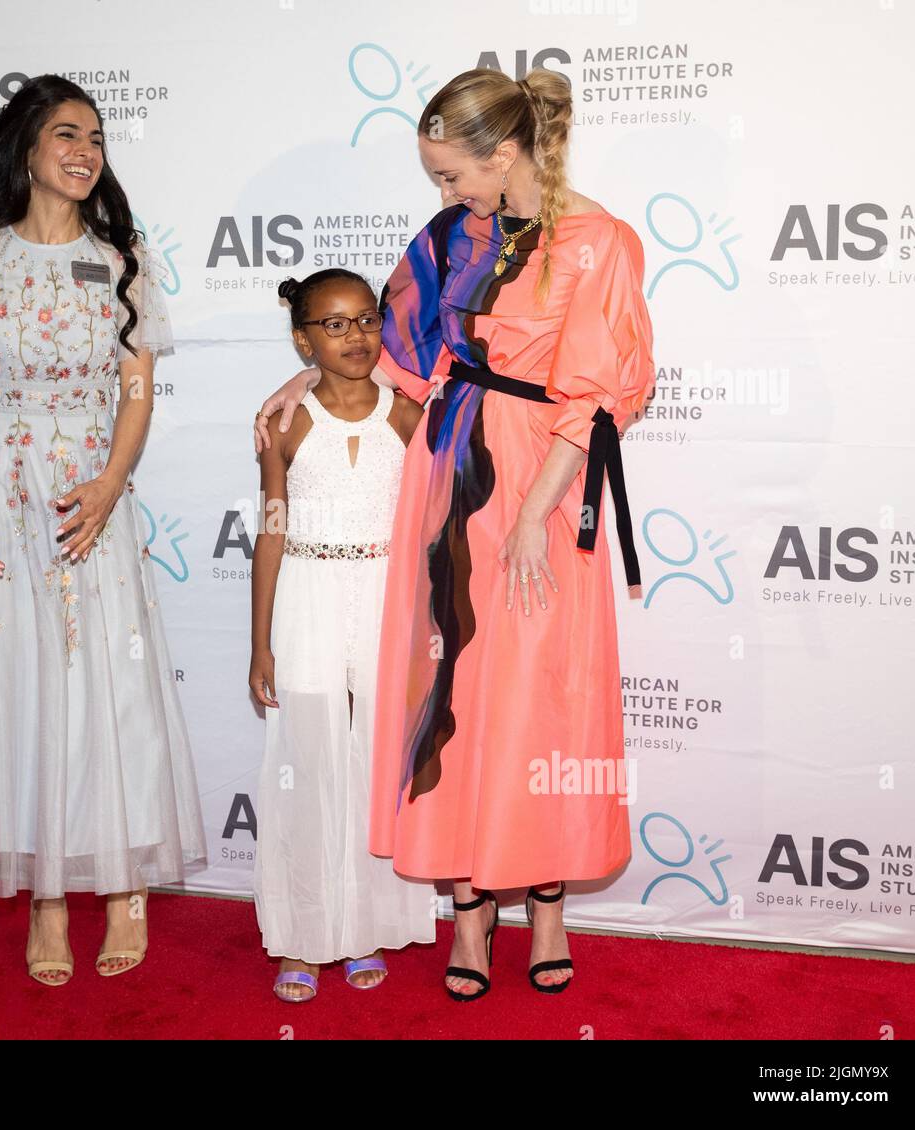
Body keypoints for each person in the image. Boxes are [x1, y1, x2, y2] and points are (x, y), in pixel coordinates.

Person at [254, 68, 655, 1001]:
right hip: (448, 476)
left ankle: (547, 909)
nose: (443, 191)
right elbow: (393, 352)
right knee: (454, 690)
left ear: (504, 154)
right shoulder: (448, 237)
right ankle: (470, 914)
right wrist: (304, 379)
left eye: (450, 174)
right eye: (436, 177)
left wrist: (532, 514)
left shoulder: (598, 241)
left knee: (543, 702)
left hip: (545, 481)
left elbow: (599, 394)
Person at [0, 75, 206, 986]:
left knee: (108, 685)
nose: (86, 152)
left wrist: (112, 484)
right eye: (67, 134)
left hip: (88, 492)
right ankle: (46, 896)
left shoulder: (122, 257)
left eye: (97, 138)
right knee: (18, 684)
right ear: (27, 147)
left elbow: (137, 389)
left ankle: (123, 884)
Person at [250, 269, 435, 1002]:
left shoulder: (407, 416)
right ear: (304, 341)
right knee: (309, 764)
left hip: (387, 600)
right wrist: (260, 643)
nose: (355, 335)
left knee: (374, 767)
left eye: (365, 319)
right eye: (334, 324)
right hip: (308, 595)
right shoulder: (286, 423)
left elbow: (434, 525)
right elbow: (271, 530)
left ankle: (365, 927)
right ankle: (303, 934)